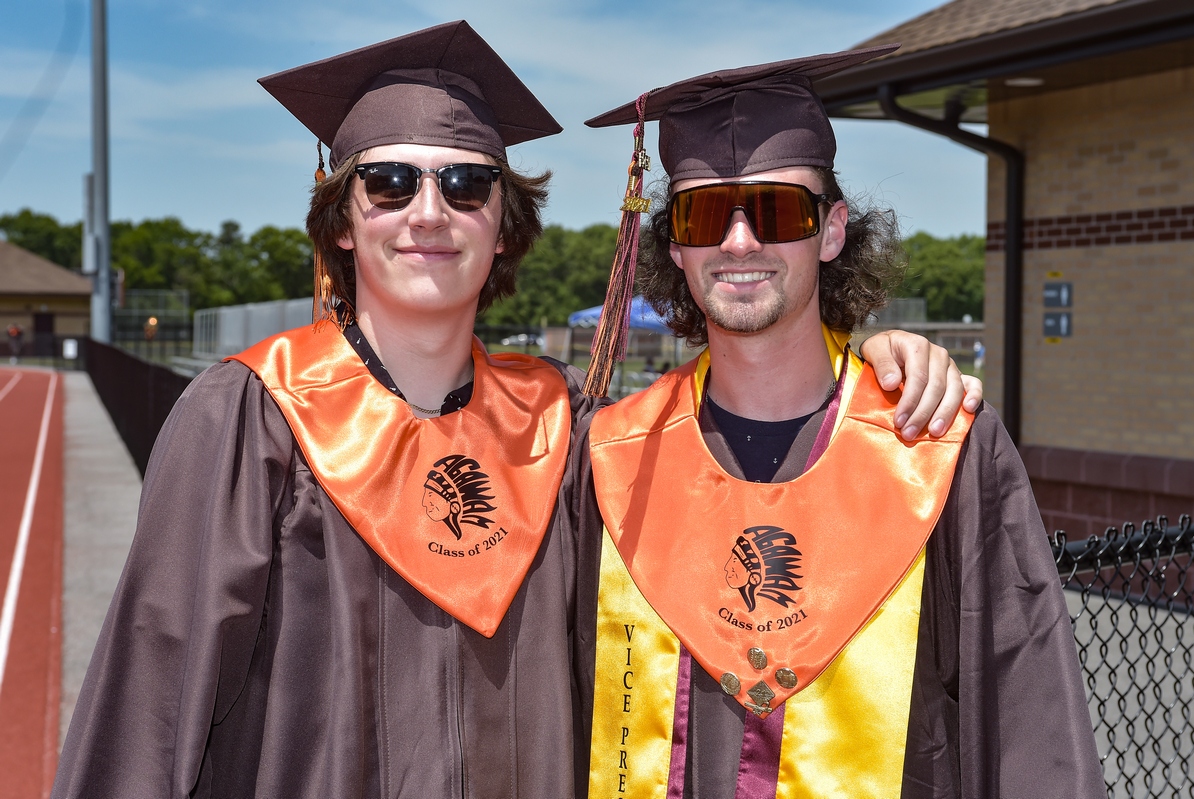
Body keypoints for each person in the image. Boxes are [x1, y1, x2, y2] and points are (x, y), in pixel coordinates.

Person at [52, 24, 980, 799]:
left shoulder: (563, 431)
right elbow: (150, 709)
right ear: (341, 219)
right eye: (389, 182)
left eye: (466, 184)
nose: (429, 210)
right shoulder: (249, 420)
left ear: (502, 224)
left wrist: (868, 361)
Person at [573, 47, 1105, 798]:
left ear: (831, 231)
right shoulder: (611, 457)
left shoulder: (937, 445)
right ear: (675, 247)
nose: (739, 241)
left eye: (777, 210)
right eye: (702, 213)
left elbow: (1029, 722)